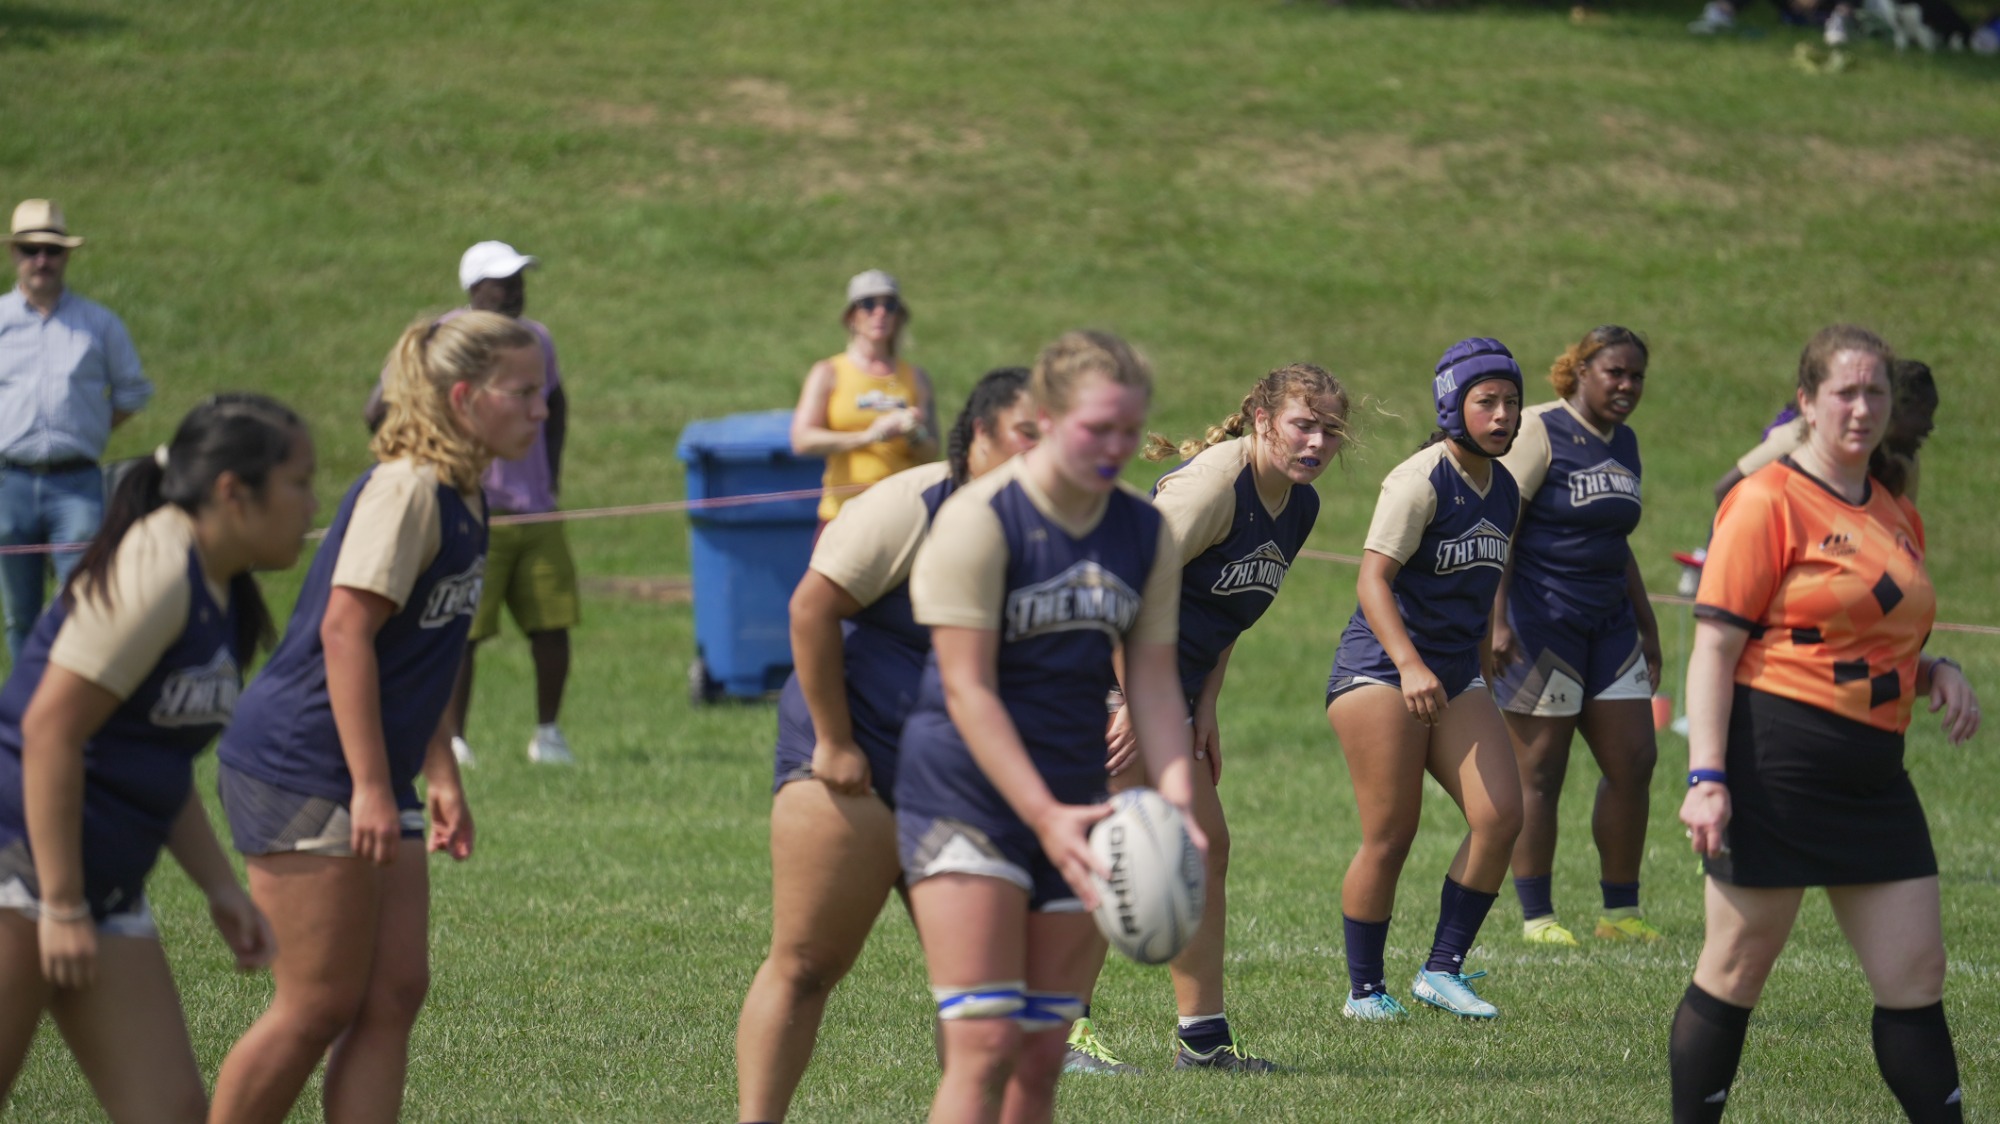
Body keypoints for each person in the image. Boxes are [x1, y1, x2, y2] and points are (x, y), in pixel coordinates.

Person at [208, 311, 544, 1124]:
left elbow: (412, 649)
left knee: (394, 990)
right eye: (525, 392)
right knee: (315, 1004)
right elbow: (346, 630)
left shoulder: (466, 490)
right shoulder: (408, 490)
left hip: (369, 769)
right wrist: (366, 785)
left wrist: (438, 772)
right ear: (464, 398)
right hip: (303, 760)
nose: (542, 410)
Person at [1672, 325, 1981, 1124]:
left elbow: (1879, 633)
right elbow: (1714, 647)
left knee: (1917, 975)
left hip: (1874, 777)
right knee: (1736, 968)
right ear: (1806, 403)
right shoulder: (1767, 498)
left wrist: (1935, 670)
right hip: (1778, 762)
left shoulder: (1894, 511)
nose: (1863, 408)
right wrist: (1707, 777)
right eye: (1845, 391)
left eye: (1875, 392)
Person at [895, 330, 1203, 1124]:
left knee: (1040, 1055)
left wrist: (1175, 800)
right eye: (1098, 428)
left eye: (1130, 432)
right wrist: (1043, 815)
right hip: (965, 795)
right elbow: (966, 690)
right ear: (1048, 417)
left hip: (1078, 795)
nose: (1116, 448)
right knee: (987, 1044)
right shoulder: (981, 522)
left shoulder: (1144, 532)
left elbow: (1156, 685)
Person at [735, 367, 1040, 1124]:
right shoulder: (913, 501)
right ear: (978, 437)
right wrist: (835, 744)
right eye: (1028, 434)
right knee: (808, 963)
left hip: (960, 771)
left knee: (981, 991)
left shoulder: (1059, 529)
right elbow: (810, 609)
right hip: (854, 750)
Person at [0, 394, 315, 1120]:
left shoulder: (223, 586)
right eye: (298, 482)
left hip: (96, 889)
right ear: (234, 492)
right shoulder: (159, 565)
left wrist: (220, 888)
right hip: (24, 874)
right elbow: (50, 731)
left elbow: (152, 761)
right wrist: (61, 902)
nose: (311, 503)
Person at [1065, 363, 1351, 1075]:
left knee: (1201, 845)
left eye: (1330, 430)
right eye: (1303, 425)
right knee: (1113, 845)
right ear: (1262, 421)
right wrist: (1130, 699)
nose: (1317, 441)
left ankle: (1203, 1039)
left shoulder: (1299, 504)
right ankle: (1057, 1030)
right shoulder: (1214, 485)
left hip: (1170, 691)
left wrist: (1206, 706)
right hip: (1103, 670)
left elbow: (1226, 614)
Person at [1326, 337, 1524, 1022]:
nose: (1502, 415)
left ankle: (1441, 970)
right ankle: (1364, 992)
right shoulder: (1418, 480)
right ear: (1452, 406)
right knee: (1392, 834)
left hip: (1454, 673)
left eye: (1511, 402)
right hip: (1381, 670)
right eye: (1486, 402)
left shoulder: (1507, 489)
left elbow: (1486, 575)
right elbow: (1372, 579)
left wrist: (1492, 632)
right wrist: (1409, 665)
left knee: (1501, 816)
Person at [364, 241, 577, 768]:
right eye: (503, 282)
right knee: (461, 630)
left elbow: (556, 403)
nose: (515, 291)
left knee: (552, 624)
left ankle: (548, 734)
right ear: (474, 289)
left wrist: (550, 476)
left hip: (535, 508)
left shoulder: (537, 339)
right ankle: (454, 740)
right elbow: (379, 408)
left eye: (520, 279)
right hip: (469, 506)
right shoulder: (445, 343)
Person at [1488, 326, 1664, 947]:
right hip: (1542, 624)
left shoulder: (1628, 443)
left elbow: (1618, 543)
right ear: (1581, 369)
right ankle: (1538, 916)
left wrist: (1647, 621)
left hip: (1610, 625)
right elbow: (1499, 525)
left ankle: (1620, 913)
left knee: (1635, 759)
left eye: (1636, 375)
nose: (1626, 385)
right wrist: (1496, 618)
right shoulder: (1540, 429)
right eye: (1614, 372)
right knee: (1540, 771)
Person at [0, 199, 153, 659]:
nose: (40, 261)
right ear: (15, 255)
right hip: (9, 483)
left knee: (80, 603)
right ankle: (23, 715)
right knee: (20, 613)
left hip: (77, 485)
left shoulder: (98, 324)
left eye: (52, 250)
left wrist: (89, 430)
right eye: (30, 250)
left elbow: (132, 391)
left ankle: (75, 709)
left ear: (67, 256)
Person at [789, 270, 939, 530]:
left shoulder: (916, 377)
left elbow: (932, 453)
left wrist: (914, 433)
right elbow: (802, 440)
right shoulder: (829, 372)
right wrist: (868, 437)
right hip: (844, 513)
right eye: (868, 304)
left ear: (898, 316)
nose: (879, 313)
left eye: (889, 305)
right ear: (851, 316)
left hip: (901, 515)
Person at [1713, 358, 1936, 506]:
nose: (1929, 426)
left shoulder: (1905, 464)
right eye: (1922, 414)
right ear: (1892, 408)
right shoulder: (1804, 437)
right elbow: (1726, 489)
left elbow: (1902, 538)